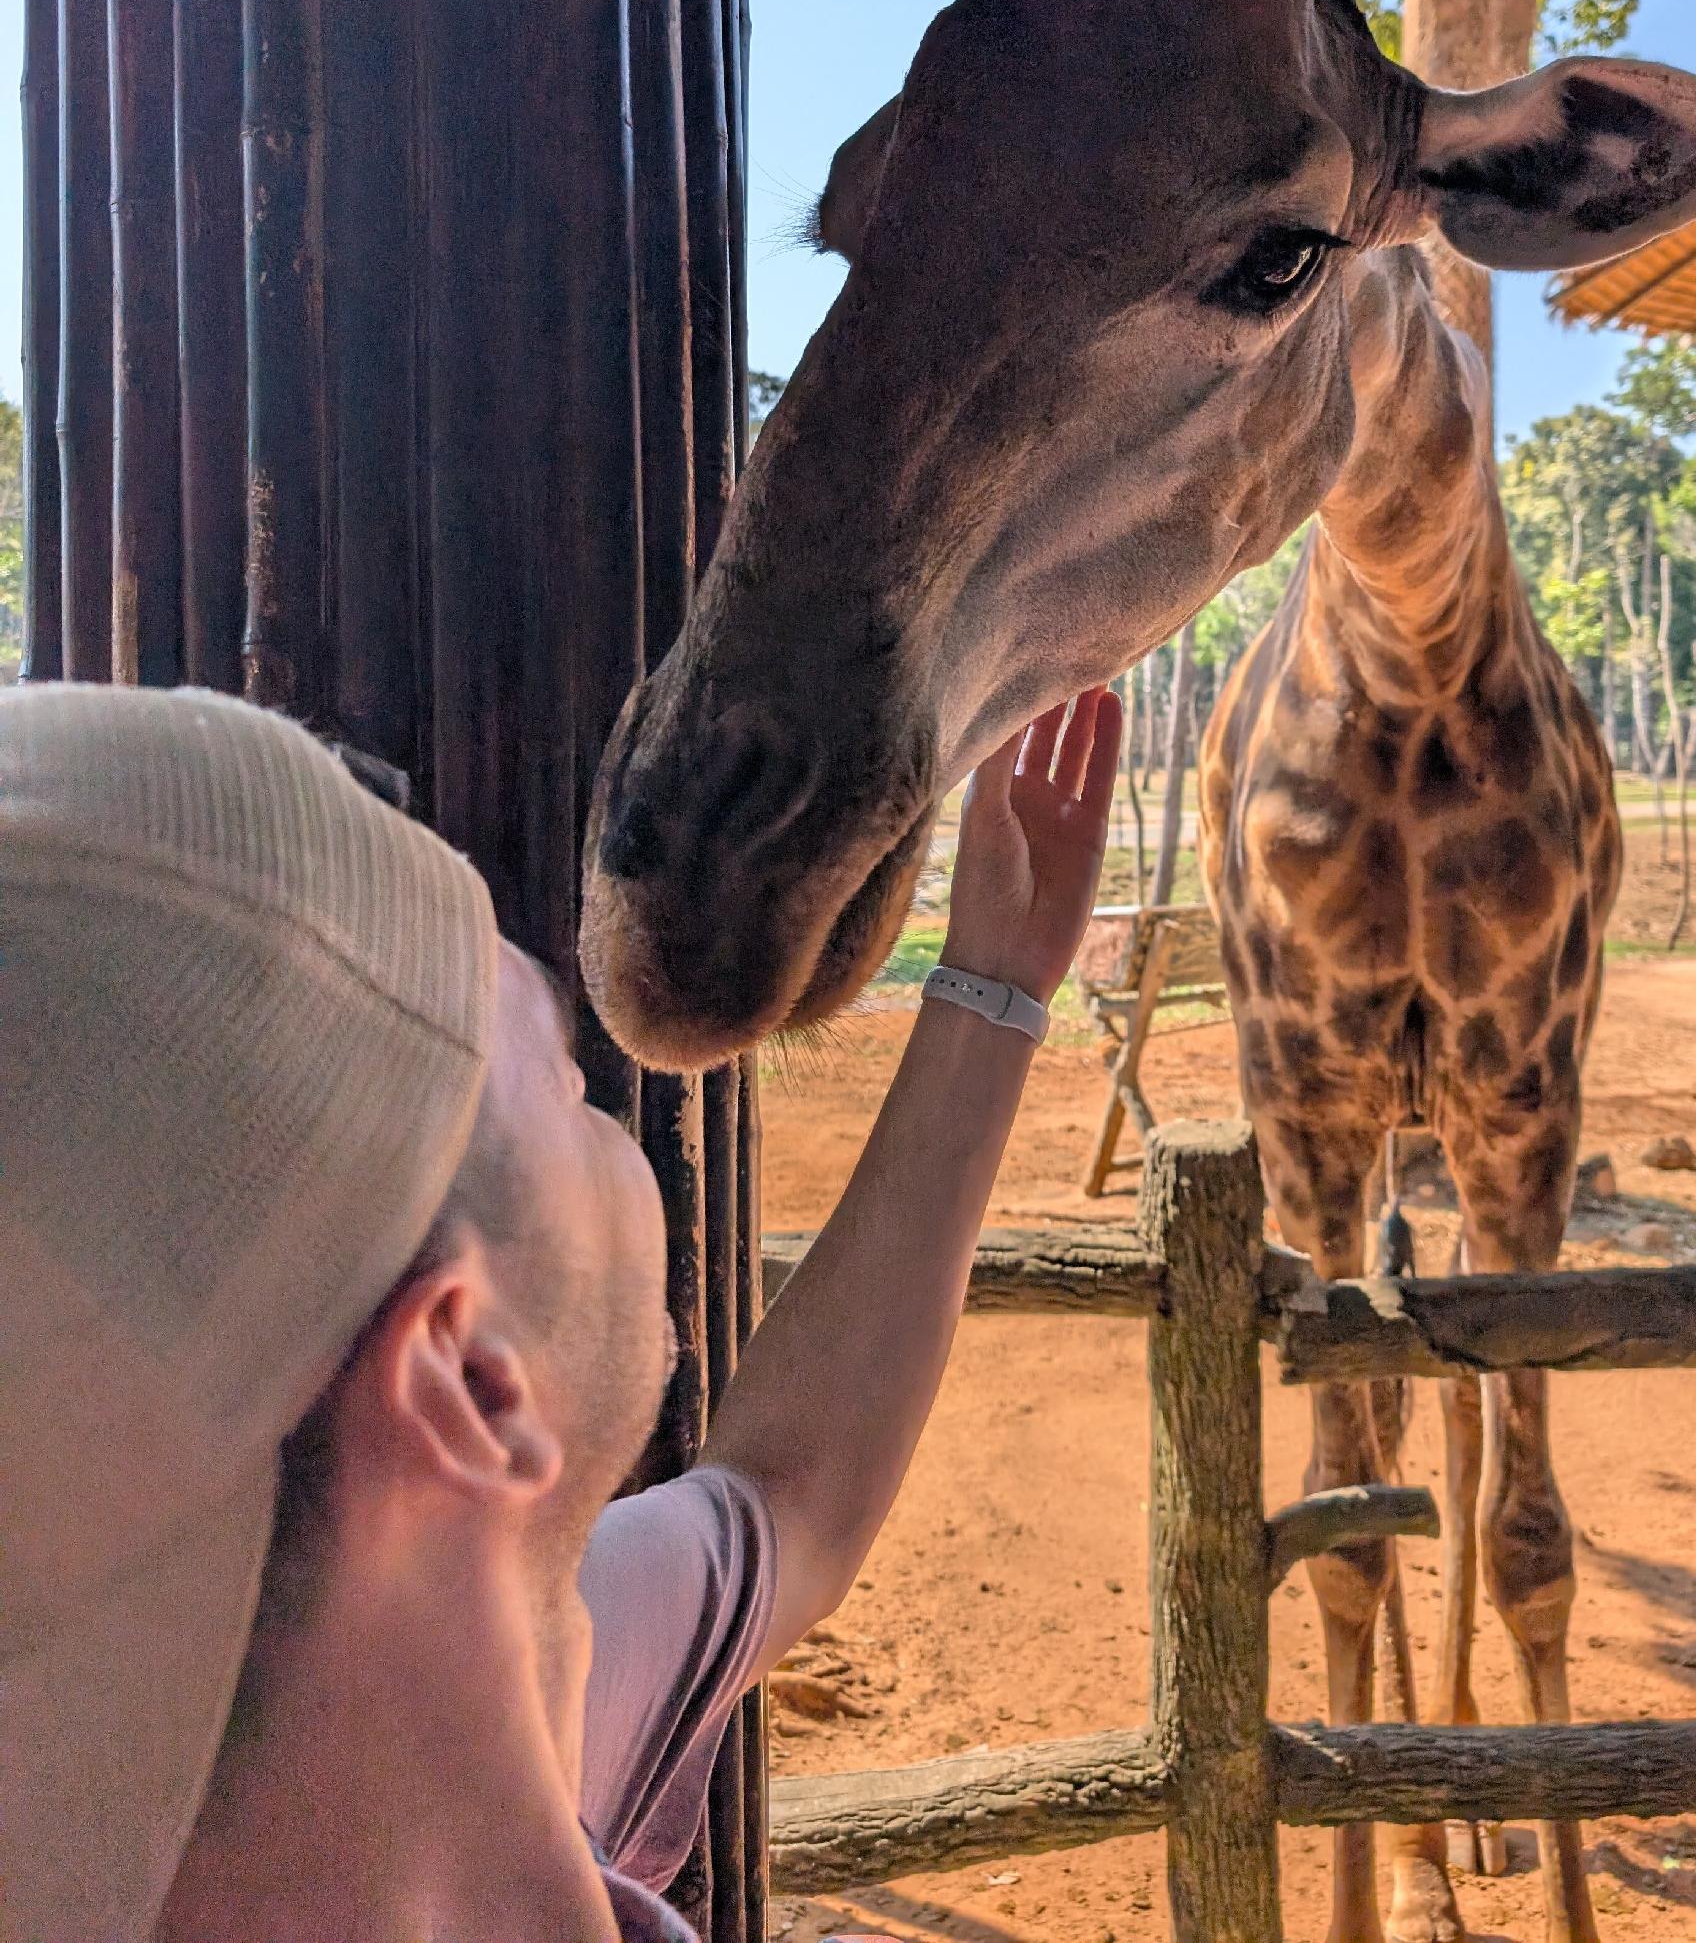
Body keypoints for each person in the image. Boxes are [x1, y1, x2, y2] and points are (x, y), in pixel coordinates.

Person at [0, 675, 1122, 1943]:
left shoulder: (381, 1713)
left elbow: (791, 1499)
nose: (594, 1085)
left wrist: (995, 979)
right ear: (467, 1383)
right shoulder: (449, 1737)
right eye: (565, 1081)